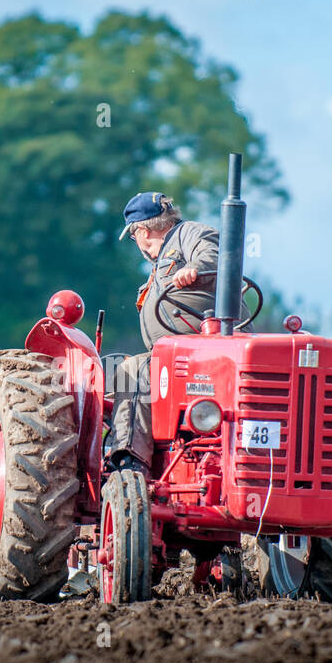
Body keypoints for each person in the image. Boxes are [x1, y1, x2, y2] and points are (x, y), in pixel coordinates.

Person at [108, 191, 238, 475]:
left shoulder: (188, 233)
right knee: (116, 379)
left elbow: (215, 257)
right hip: (178, 355)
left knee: (132, 370)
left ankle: (128, 464)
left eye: (133, 237)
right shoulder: (159, 265)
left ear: (141, 231)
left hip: (203, 350)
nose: (137, 244)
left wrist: (194, 269)